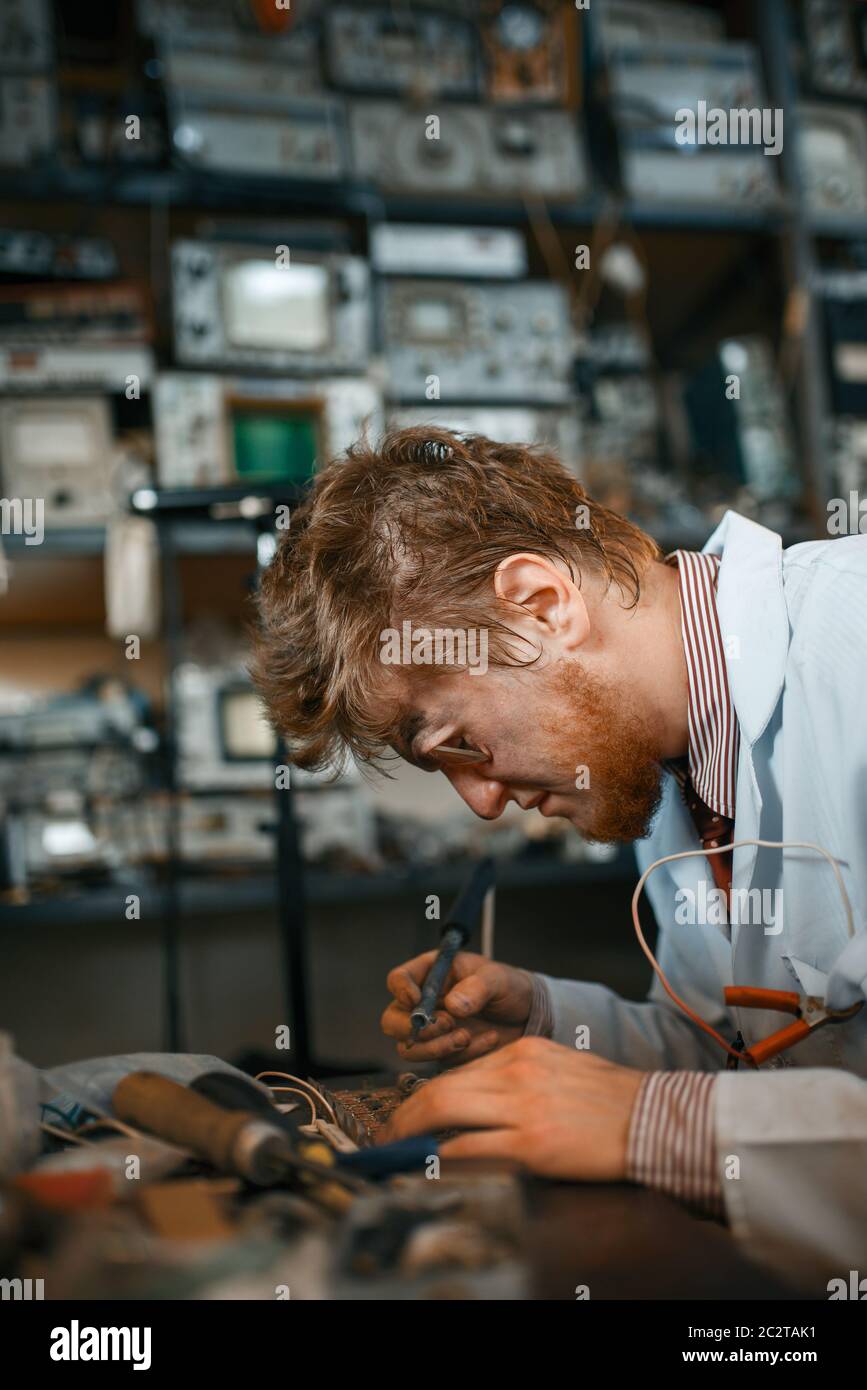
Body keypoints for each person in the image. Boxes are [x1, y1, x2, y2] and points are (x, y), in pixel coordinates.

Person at [252, 426, 867, 1287]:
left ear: (539, 606)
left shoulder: (852, 638)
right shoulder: (668, 767)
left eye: (457, 742)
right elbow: (748, 1055)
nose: (482, 803)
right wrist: (547, 1019)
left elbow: (709, 1114)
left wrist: (664, 1130)